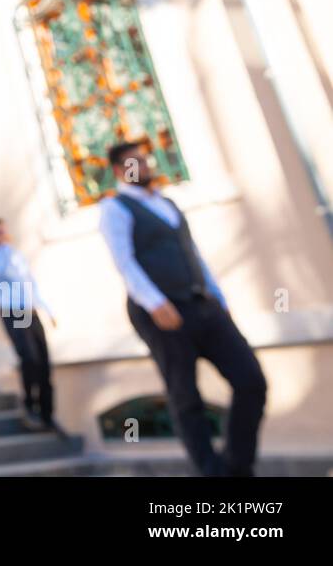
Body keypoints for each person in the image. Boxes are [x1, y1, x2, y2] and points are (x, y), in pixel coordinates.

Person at [98, 142, 267, 476]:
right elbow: (124, 260)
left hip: (202, 304)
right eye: (134, 162)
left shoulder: (167, 204)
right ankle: (209, 470)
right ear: (119, 171)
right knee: (185, 395)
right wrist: (155, 301)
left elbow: (193, 253)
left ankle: (236, 466)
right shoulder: (115, 208)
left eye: (144, 160)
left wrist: (216, 296)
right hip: (161, 311)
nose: (144, 166)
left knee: (251, 380)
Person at [0, 218, 57, 431]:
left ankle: (47, 412)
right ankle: (29, 404)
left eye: (4, 230)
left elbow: (29, 283)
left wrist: (47, 309)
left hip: (29, 310)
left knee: (43, 359)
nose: (3, 234)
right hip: (11, 310)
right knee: (28, 356)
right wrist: (4, 249)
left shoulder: (16, 254)